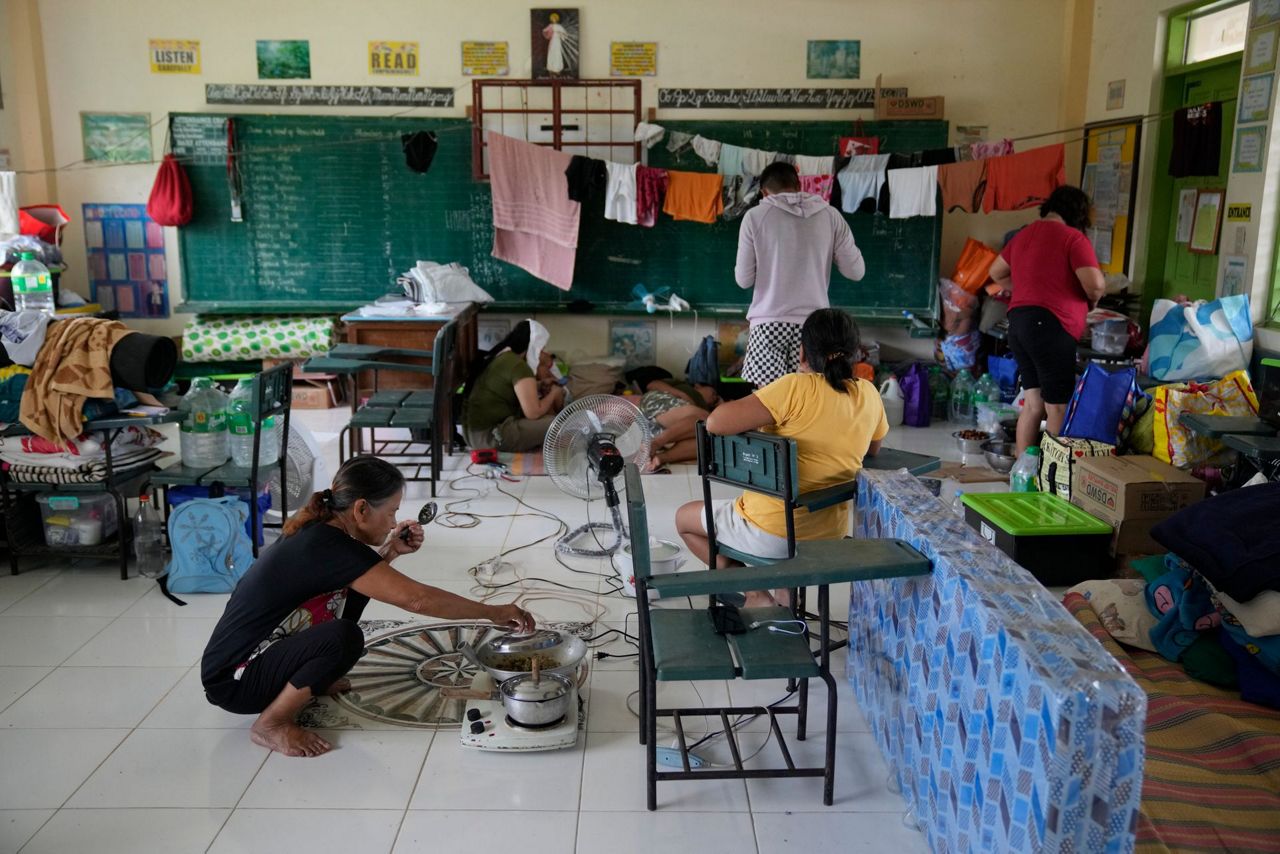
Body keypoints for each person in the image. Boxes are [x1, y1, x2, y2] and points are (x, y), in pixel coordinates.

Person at [201, 457, 534, 758]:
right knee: (344, 637)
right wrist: (493, 611)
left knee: (344, 619)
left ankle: (307, 678)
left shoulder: (322, 533)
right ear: (361, 510)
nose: (392, 523)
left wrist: (389, 552)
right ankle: (271, 723)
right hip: (235, 679)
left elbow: (353, 583)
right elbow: (416, 598)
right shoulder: (329, 546)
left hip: (249, 663)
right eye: (389, 512)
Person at [674, 308, 887, 608]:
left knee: (684, 518)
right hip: (829, 536)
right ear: (855, 354)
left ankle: (756, 594)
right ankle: (784, 607)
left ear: (802, 351)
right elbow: (874, 449)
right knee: (782, 527)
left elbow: (715, 423)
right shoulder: (869, 393)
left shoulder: (793, 388)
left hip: (771, 533)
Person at [987, 185, 1105, 454]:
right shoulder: (1072, 238)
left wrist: (1028, 287)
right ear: (1078, 215)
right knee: (1057, 406)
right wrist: (1091, 302)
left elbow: (996, 273)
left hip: (1019, 324)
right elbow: (1095, 285)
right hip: (1052, 328)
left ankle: (1022, 471)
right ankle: (1048, 479)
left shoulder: (1023, 235)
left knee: (1033, 404)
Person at [735, 162, 866, 388]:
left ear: (764, 192)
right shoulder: (830, 215)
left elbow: (744, 279)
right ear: (799, 185)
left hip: (768, 326)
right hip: (814, 328)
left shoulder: (755, 217)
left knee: (768, 405)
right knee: (809, 404)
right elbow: (856, 272)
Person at [462, 319, 565, 451]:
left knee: (547, 419)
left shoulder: (502, 356)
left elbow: (508, 388)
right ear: (532, 346)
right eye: (541, 349)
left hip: (472, 436)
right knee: (559, 424)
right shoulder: (519, 366)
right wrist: (553, 394)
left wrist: (539, 385)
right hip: (490, 437)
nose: (542, 354)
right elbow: (533, 413)